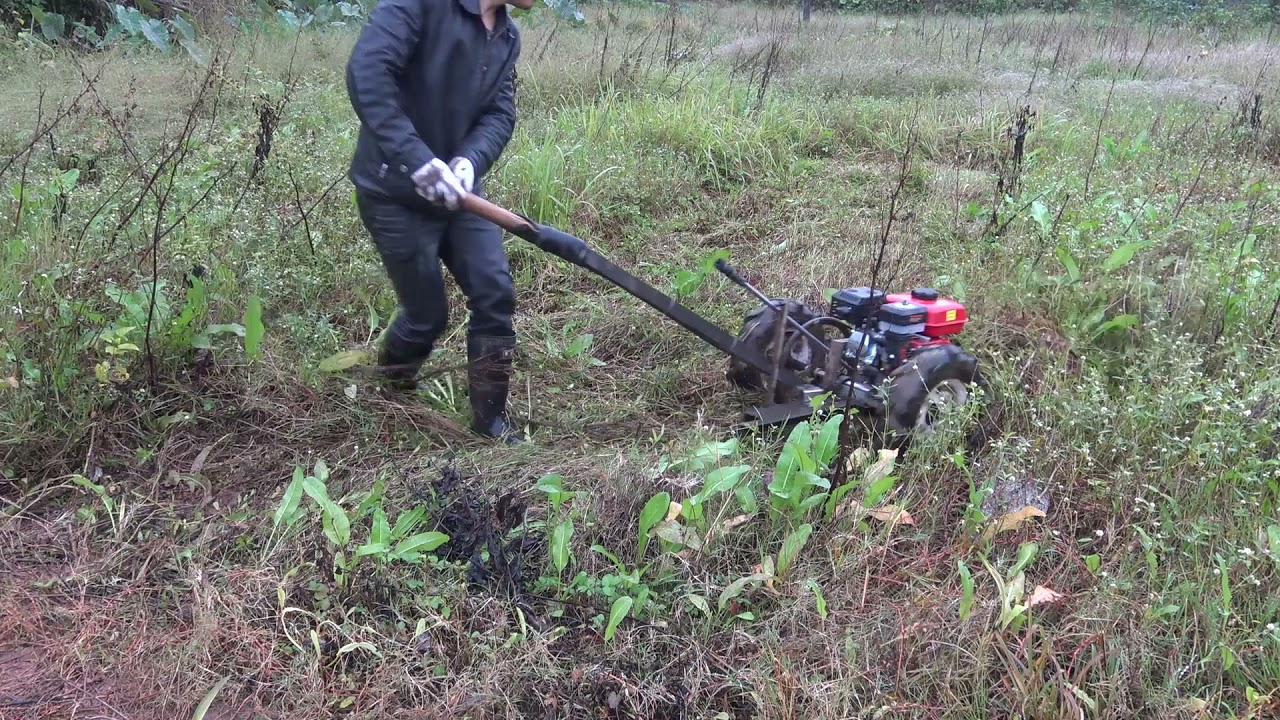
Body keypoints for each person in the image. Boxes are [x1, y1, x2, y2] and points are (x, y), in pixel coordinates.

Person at [345, 0, 534, 444]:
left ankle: (490, 424)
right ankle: (390, 391)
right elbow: (367, 74)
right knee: (427, 316)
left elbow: (499, 114)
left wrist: (469, 161)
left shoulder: (506, 36)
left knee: (495, 290)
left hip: (460, 196)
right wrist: (418, 161)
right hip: (394, 192)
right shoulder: (420, 5)